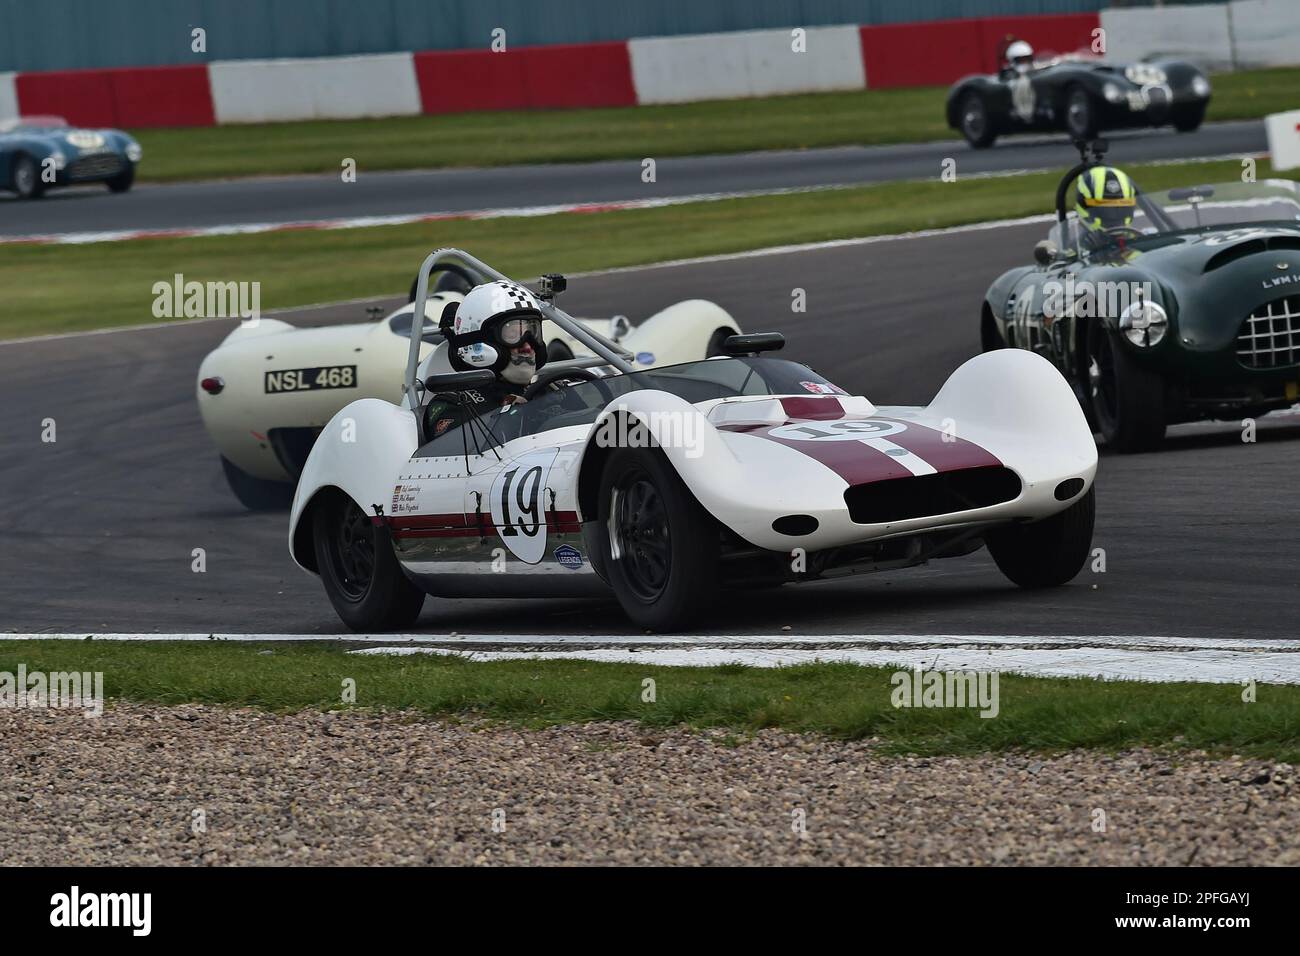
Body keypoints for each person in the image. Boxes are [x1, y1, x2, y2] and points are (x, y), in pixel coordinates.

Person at [423, 280, 549, 441]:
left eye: (533, 334)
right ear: (480, 341)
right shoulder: (454, 406)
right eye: (513, 335)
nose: (528, 347)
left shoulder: (553, 391)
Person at [1075, 165, 1138, 248]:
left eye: (1122, 209)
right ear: (1083, 207)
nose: (1114, 215)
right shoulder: (1074, 252)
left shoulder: (1144, 241)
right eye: (1105, 210)